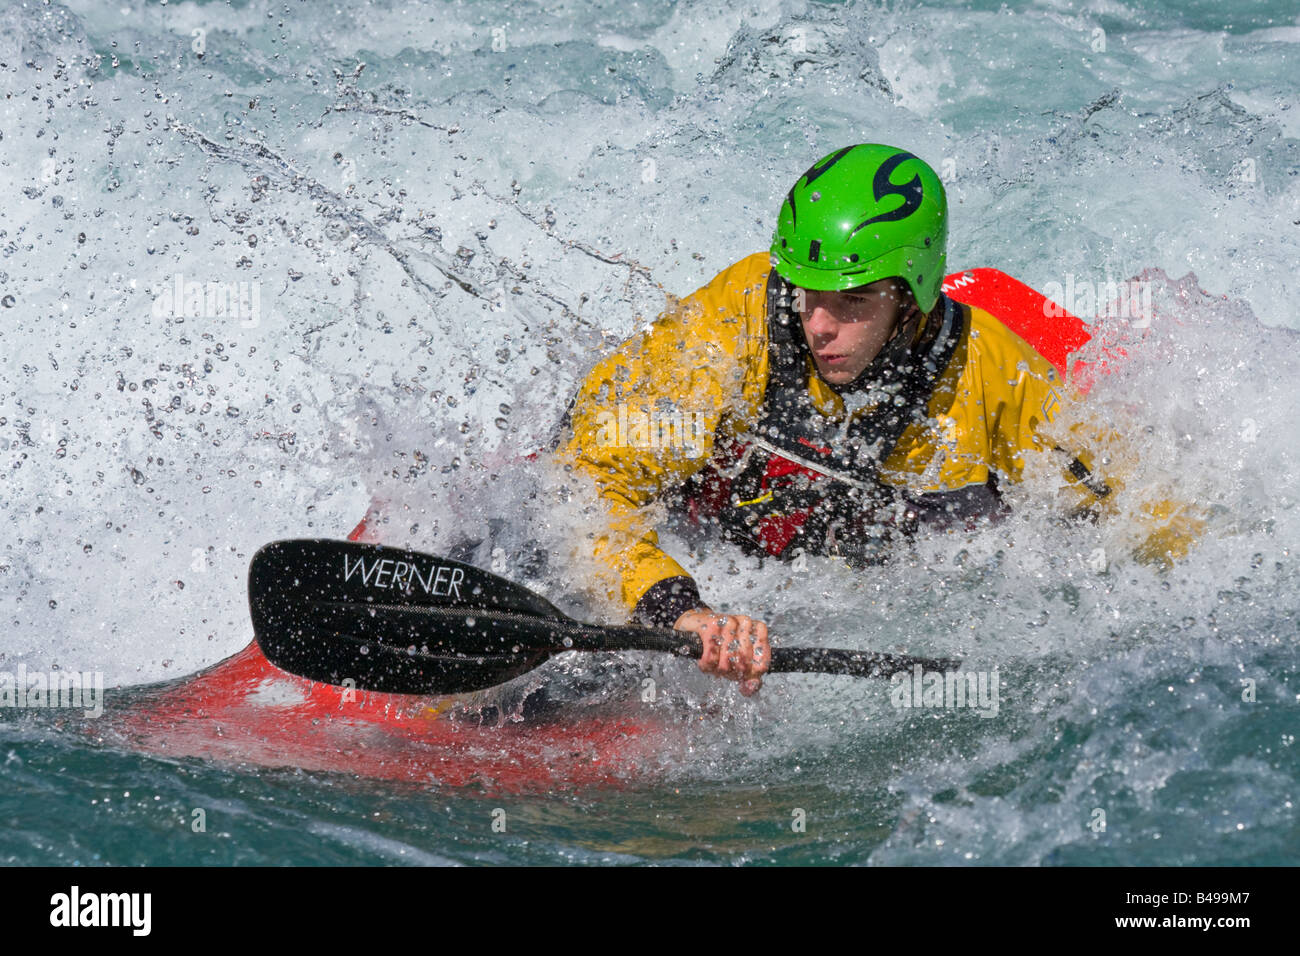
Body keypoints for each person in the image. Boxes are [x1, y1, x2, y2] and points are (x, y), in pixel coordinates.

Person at [552, 143, 1192, 697]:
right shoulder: (737, 318)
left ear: (911, 299)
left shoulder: (993, 373)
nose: (819, 325)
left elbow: (1145, 515)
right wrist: (679, 611)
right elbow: (588, 488)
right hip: (681, 543)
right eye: (808, 292)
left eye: (853, 300)